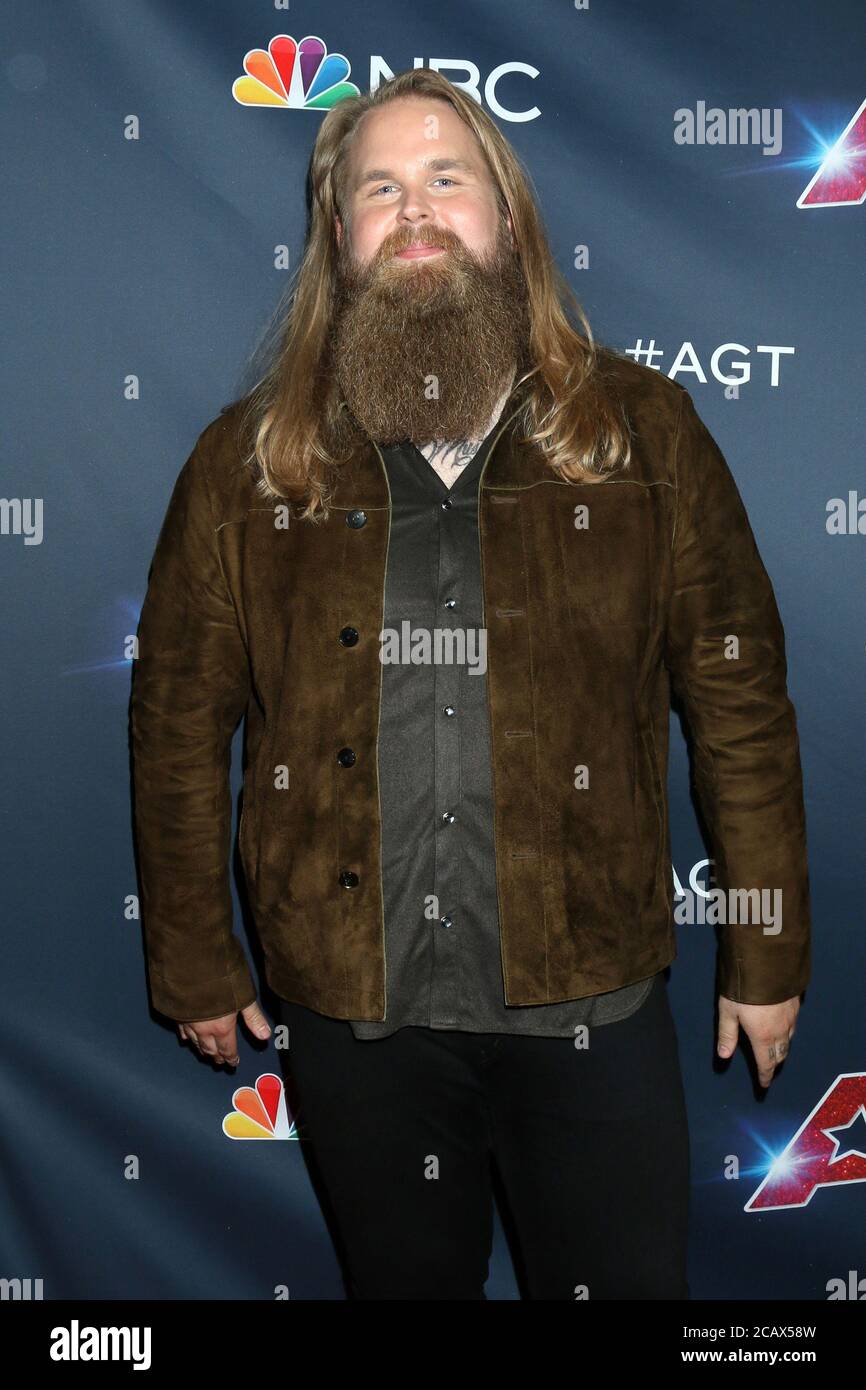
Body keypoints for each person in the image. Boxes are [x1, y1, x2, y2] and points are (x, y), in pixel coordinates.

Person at [130, 68, 811, 1300]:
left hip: (590, 1009)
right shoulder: (245, 466)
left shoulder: (644, 437)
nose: (417, 211)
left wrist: (762, 952)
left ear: (508, 217)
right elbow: (178, 726)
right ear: (337, 241)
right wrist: (190, 957)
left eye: (449, 178)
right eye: (378, 189)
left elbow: (738, 709)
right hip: (354, 1019)